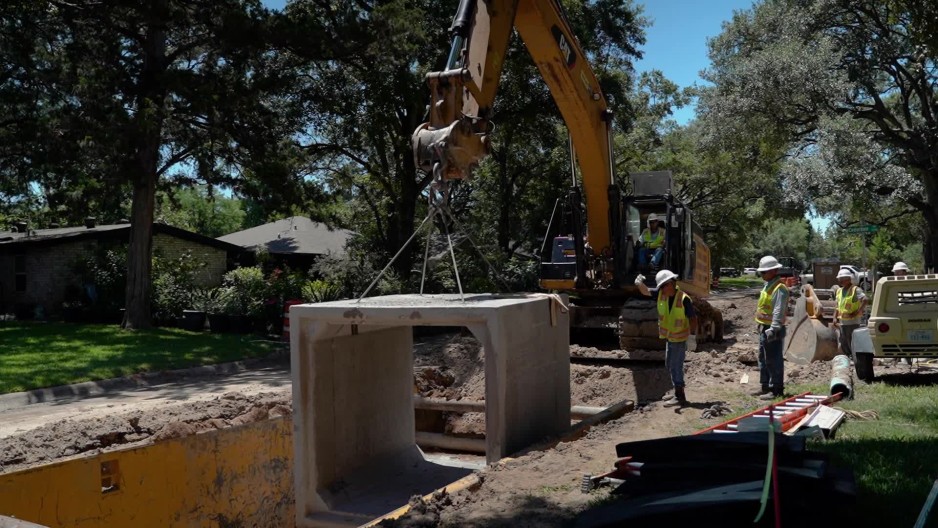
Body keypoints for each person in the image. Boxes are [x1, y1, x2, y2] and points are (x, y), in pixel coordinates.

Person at [635, 269, 697, 407]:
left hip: (680, 339)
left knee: (676, 366)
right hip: (670, 338)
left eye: (663, 286)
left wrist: (692, 337)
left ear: (671, 284)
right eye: (660, 287)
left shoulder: (683, 299)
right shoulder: (662, 294)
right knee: (669, 365)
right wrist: (639, 284)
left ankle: (680, 397)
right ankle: (676, 391)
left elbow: (693, 319)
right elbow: (646, 291)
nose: (661, 289)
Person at [752, 255, 790, 400]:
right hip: (764, 327)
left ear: (774, 271)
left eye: (764, 272)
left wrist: (773, 328)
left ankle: (776, 389)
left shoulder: (779, 289)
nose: (762, 274)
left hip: (773, 329)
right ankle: (765, 386)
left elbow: (778, 311)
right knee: (763, 357)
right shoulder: (768, 285)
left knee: (773, 359)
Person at [832, 268, 868, 361]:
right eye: (840, 279)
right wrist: (834, 317)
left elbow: (865, 299)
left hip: (853, 321)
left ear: (849, 279)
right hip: (843, 321)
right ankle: (849, 356)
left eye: (843, 279)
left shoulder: (855, 290)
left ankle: (855, 357)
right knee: (844, 340)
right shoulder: (839, 291)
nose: (841, 281)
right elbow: (837, 305)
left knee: (852, 340)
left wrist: (858, 311)